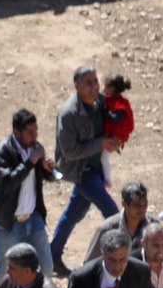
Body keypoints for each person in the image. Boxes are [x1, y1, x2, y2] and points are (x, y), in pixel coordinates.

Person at [47, 65, 121, 276]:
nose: (93, 86)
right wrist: (101, 143)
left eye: (95, 81)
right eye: (87, 83)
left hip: (95, 167)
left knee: (74, 213)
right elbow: (69, 151)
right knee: (113, 214)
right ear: (77, 86)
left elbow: (110, 125)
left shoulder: (100, 102)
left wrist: (114, 140)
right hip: (81, 171)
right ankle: (124, 256)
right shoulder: (69, 113)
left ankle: (53, 255)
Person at [0, 110, 55, 288]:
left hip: (33, 219)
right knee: (1, 273)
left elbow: (43, 177)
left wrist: (49, 170)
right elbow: (8, 183)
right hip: (8, 223)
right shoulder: (1, 152)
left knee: (45, 268)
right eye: (30, 132)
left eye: (36, 131)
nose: (34, 136)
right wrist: (31, 162)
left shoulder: (35, 148)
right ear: (17, 132)